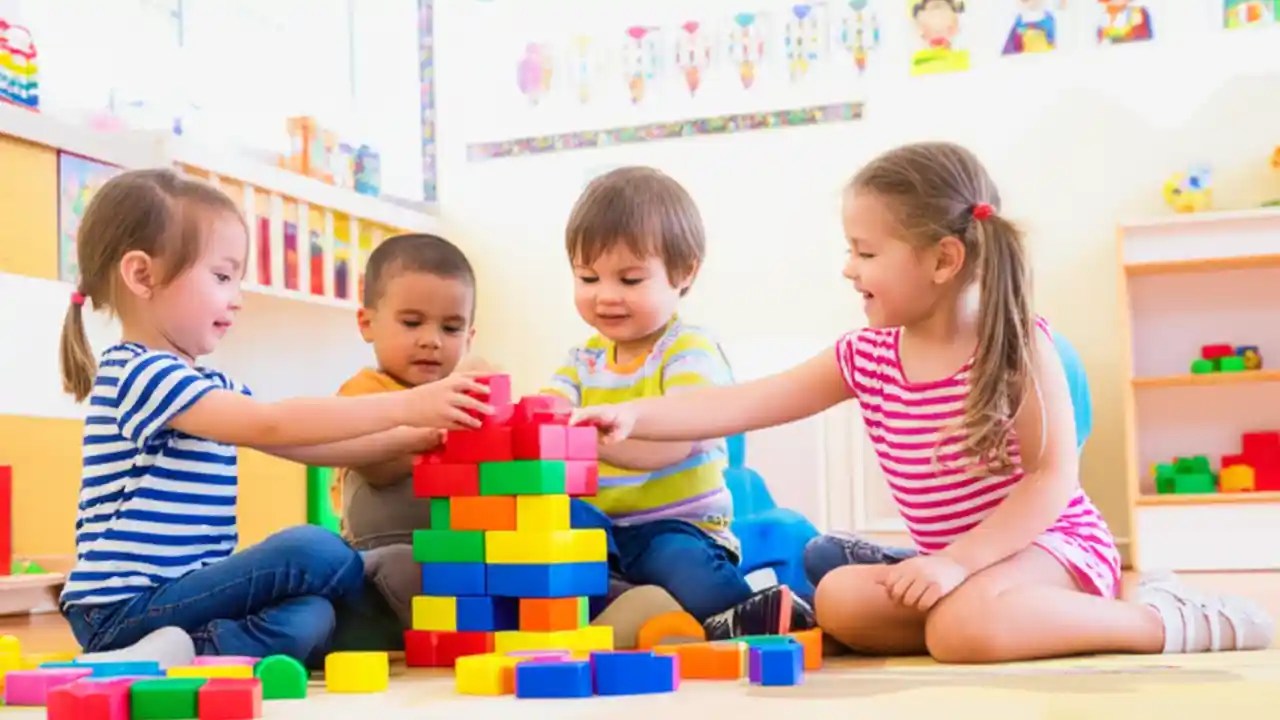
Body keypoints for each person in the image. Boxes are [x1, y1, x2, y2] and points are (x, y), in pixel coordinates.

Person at [569, 142, 1274, 661]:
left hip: (1047, 548)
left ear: (943, 259)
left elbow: (1051, 480)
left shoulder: (1013, 344)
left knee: (964, 630)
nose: (848, 268)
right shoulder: (866, 356)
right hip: (957, 563)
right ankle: (959, 597)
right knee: (840, 601)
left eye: (865, 252)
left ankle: (1160, 618)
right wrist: (634, 416)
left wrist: (958, 564)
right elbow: (746, 403)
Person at [57, 169, 492, 667]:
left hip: (183, 600)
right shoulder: (139, 372)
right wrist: (409, 405)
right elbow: (273, 423)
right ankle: (139, 649)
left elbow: (311, 447)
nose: (237, 298)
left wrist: (420, 435)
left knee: (310, 616)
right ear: (142, 276)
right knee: (315, 551)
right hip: (119, 610)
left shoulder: (208, 385)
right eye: (222, 277)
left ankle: (179, 652)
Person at [543, 166, 815, 640]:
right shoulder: (580, 361)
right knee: (552, 527)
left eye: (630, 280)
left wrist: (584, 441)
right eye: (588, 277)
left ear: (684, 272)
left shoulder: (687, 351)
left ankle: (748, 612)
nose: (606, 296)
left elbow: (670, 445)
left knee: (681, 563)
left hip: (675, 527)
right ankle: (624, 613)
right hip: (603, 531)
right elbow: (544, 413)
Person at [327, 232, 486, 648]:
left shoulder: (463, 398)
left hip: (455, 550)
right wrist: (441, 435)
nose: (432, 339)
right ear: (367, 323)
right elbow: (377, 467)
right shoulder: (365, 392)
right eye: (412, 323)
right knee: (405, 568)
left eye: (451, 327)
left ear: (469, 337)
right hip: (381, 553)